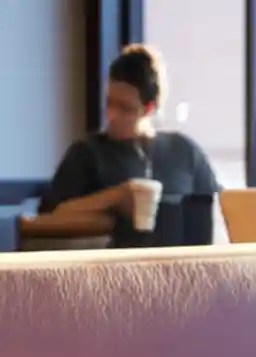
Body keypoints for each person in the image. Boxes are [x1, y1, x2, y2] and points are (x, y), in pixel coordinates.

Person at [40, 44, 219, 247]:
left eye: (125, 108)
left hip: (179, 266)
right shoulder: (88, 153)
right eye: (109, 103)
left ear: (149, 108)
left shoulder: (184, 152)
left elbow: (217, 208)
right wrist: (115, 197)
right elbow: (51, 217)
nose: (112, 115)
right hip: (110, 267)